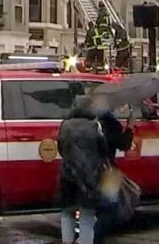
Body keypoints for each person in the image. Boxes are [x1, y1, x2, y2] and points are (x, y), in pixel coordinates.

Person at [57, 96, 112, 244]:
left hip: (67, 176)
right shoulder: (95, 126)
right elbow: (104, 151)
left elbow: (60, 149)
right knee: (87, 217)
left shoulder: (65, 125)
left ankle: (67, 241)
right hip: (89, 177)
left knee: (67, 213)